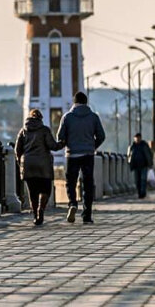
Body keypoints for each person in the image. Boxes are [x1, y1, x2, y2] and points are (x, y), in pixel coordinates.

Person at [57, 91, 106, 224]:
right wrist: (92, 146)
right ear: (86, 102)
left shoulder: (67, 117)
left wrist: (68, 143)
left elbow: (60, 137)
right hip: (88, 155)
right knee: (88, 184)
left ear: (75, 102)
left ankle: (72, 203)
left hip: (72, 154)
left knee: (71, 182)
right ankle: (87, 215)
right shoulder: (94, 117)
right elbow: (101, 136)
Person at [15, 109, 63, 226]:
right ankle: (41, 210)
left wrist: (20, 162)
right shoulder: (44, 130)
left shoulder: (23, 131)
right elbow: (53, 146)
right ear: (40, 119)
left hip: (28, 164)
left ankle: (35, 215)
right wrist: (63, 143)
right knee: (46, 189)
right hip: (43, 165)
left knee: (33, 192)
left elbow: (18, 149)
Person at [127, 133, 153, 199]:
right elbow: (129, 155)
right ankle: (139, 192)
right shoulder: (132, 146)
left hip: (144, 165)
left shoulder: (144, 145)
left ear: (141, 138)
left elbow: (149, 154)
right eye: (136, 137)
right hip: (135, 166)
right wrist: (130, 164)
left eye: (138, 137)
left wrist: (150, 163)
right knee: (137, 180)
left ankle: (142, 193)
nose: (137, 139)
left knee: (143, 179)